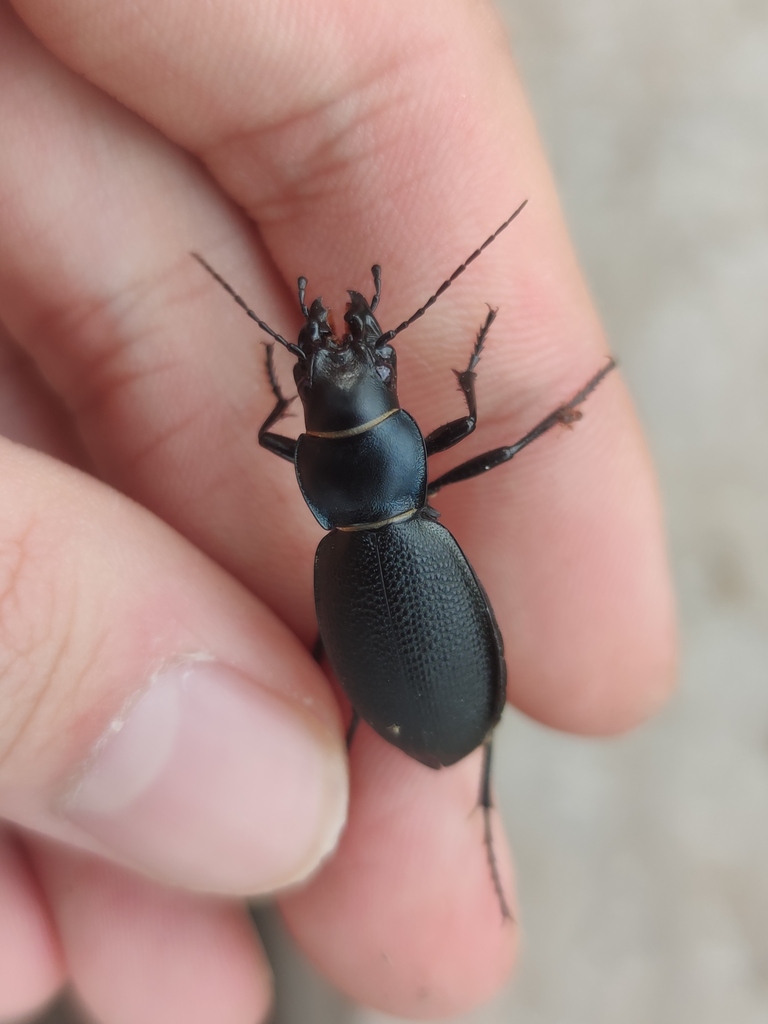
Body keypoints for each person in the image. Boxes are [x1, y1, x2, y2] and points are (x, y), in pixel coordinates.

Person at [0, 1, 676, 1020]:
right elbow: (486, 424)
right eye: (336, 382)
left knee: (402, 670)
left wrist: (298, 384)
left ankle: (448, 805)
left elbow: (402, 428)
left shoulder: (320, 474)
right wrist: (534, 392)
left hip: (402, 667)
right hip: (415, 676)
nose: (343, 364)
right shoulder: (390, 473)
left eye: (351, 377)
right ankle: (464, 816)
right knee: (471, 664)